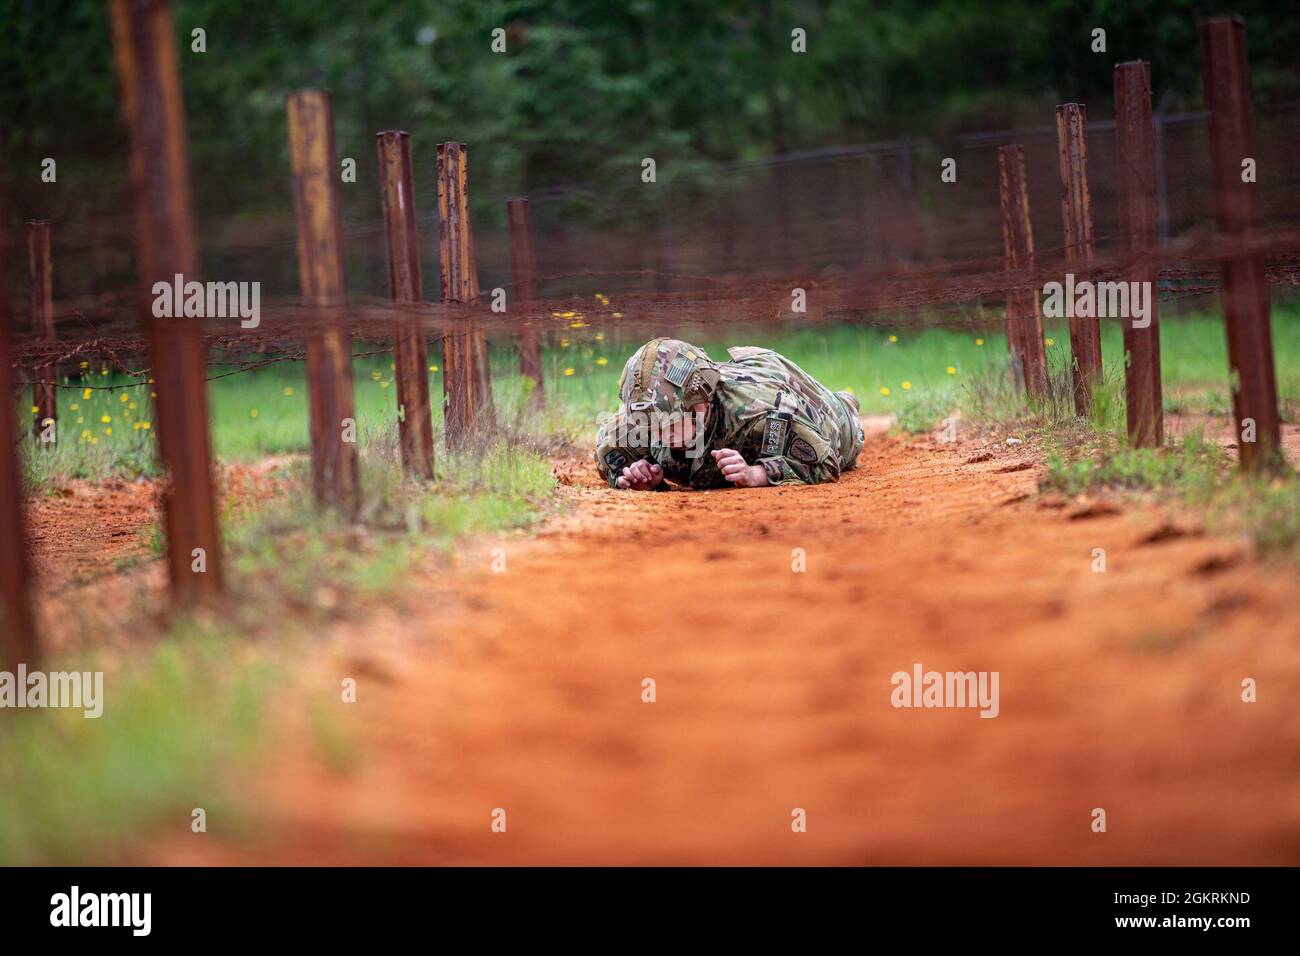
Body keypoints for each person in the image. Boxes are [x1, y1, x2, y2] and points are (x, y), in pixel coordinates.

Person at [594, 338, 865, 490]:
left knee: (846, 427)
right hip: (740, 376)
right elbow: (608, 455)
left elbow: (825, 464)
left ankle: (846, 402)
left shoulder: (761, 413)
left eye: (673, 421)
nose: (663, 433)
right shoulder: (637, 422)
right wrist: (637, 478)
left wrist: (756, 474)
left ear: (703, 403)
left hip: (799, 397)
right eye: (652, 424)